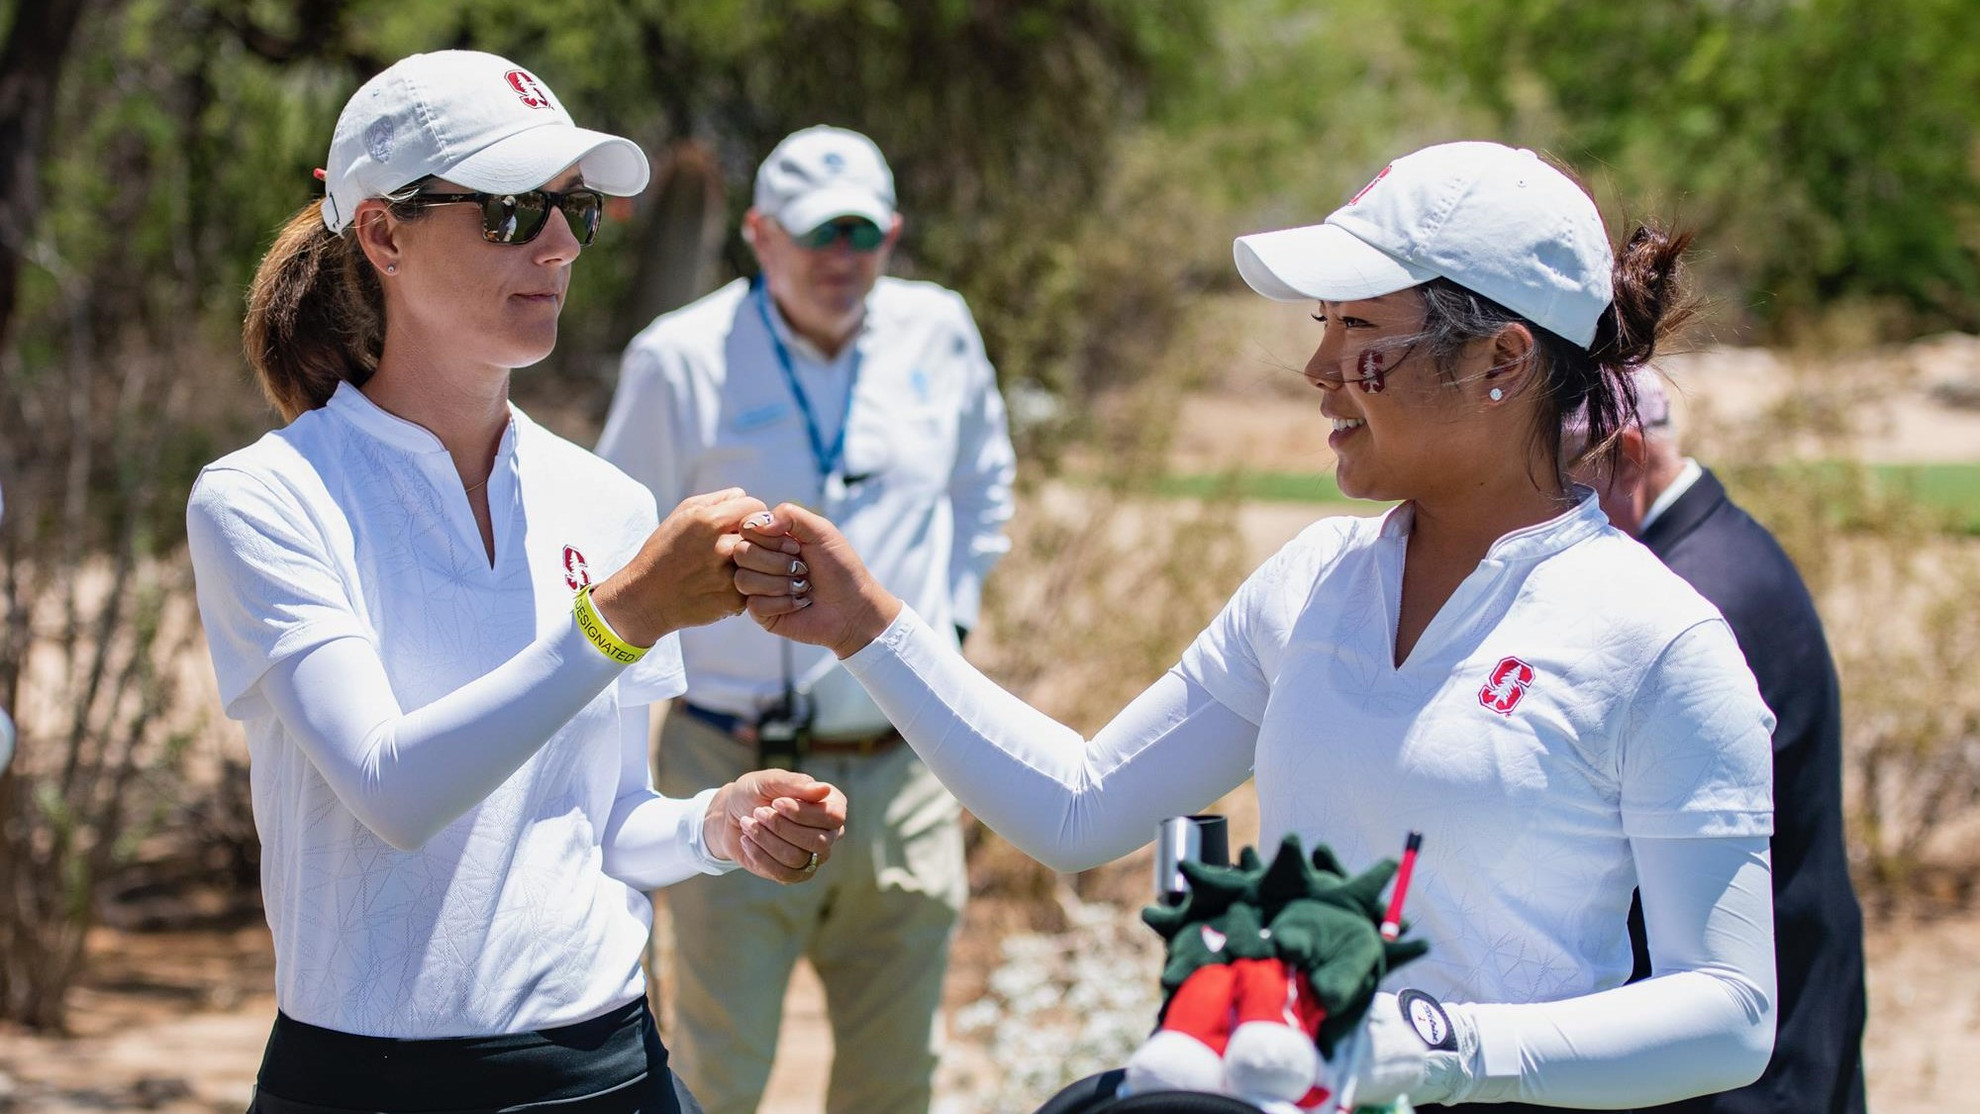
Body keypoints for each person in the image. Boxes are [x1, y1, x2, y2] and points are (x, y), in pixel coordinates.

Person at [738, 141, 1780, 1112]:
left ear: (1502, 357)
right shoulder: (1312, 582)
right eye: (1319, 325)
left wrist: (1437, 1045)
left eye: (1360, 331)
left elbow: (1732, 1010)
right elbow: (1078, 807)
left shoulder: (1656, 640)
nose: (1319, 367)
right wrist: (868, 624)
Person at [185, 51, 848, 1114]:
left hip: (613, 1069)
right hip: (369, 1086)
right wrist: (627, 611)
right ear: (383, 234)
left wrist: (713, 827)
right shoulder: (265, 499)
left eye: (572, 210)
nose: (554, 246)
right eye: (507, 211)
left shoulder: (605, 501)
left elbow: (604, 818)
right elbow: (394, 789)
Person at [596, 124, 1017, 1114]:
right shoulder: (680, 358)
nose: (842, 258)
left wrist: (944, 636)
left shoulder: (940, 327)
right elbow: (617, 543)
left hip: (904, 770)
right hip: (729, 766)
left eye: (862, 234)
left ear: (893, 234)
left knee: (894, 1080)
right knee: (714, 1069)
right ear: (759, 234)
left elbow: (981, 485)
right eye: (817, 233)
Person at [1567, 373, 1867, 1114]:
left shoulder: (1691, 607)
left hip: (1747, 1070)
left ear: (1627, 459)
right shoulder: (1713, 549)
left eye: (1556, 484)